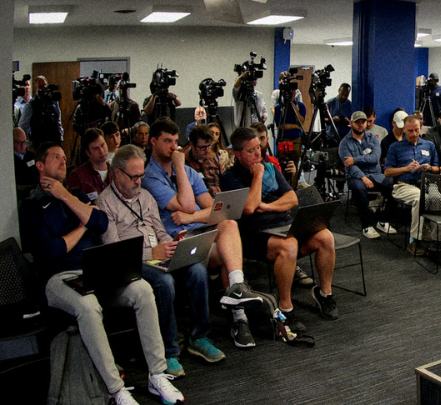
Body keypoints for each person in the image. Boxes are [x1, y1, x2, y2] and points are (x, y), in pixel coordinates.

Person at [21, 142, 182, 405]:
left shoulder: (74, 194)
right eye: (56, 157)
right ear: (40, 166)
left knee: (143, 289)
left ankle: (157, 374)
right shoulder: (32, 205)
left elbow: (101, 222)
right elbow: (52, 251)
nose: (63, 161)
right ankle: (116, 389)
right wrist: (82, 224)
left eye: (64, 156)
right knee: (88, 306)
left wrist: (65, 196)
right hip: (58, 279)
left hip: (95, 270)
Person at [141, 116, 265, 326]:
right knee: (228, 251)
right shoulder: (150, 176)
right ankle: (238, 316)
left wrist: (191, 217)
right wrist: (179, 166)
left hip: (200, 234)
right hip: (178, 241)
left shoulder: (189, 172)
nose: (173, 147)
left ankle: (238, 295)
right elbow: (188, 204)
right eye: (167, 141)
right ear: (153, 141)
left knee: (229, 226)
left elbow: (215, 210)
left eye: (175, 141)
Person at [220, 126, 339, 327]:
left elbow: (292, 198)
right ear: (237, 154)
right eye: (251, 150)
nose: (258, 153)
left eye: (258, 147)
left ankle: (324, 294)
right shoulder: (230, 177)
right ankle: (285, 307)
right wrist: (257, 175)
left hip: (284, 225)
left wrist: (268, 206)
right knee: (289, 246)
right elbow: (249, 207)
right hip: (255, 235)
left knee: (325, 237)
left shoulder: (271, 168)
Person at [385, 115, 441, 249]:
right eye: (410, 131)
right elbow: (387, 172)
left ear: (420, 128)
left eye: (416, 130)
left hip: (425, 182)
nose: (414, 134)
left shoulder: (429, 145)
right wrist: (406, 168)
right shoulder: (395, 147)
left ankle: (437, 239)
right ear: (404, 130)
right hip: (403, 185)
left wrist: (428, 167)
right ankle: (414, 240)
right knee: (419, 199)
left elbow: (438, 169)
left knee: (437, 198)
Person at [340, 111, 395, 239]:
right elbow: (350, 166)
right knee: (359, 189)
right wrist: (363, 177)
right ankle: (367, 225)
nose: (360, 125)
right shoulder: (344, 143)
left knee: (394, 186)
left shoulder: (373, 138)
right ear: (351, 123)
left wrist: (355, 159)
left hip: (376, 174)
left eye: (363, 122)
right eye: (357, 122)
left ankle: (383, 221)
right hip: (356, 176)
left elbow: (375, 158)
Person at [65, 127, 113, 200]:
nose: (101, 151)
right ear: (88, 152)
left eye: (103, 145)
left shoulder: (117, 172)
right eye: (96, 148)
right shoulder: (77, 176)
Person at [19, 75, 64, 146]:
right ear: (36, 88)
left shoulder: (54, 102)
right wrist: (28, 145)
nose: (43, 89)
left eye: (45, 86)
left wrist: (61, 138)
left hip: (54, 143)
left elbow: (58, 121)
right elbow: (22, 127)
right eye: (40, 87)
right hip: (39, 144)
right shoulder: (31, 104)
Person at [182, 125, 223, 196]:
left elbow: (223, 183)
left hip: (218, 199)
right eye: (203, 147)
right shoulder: (184, 165)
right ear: (192, 145)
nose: (207, 151)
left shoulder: (214, 161)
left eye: (209, 146)